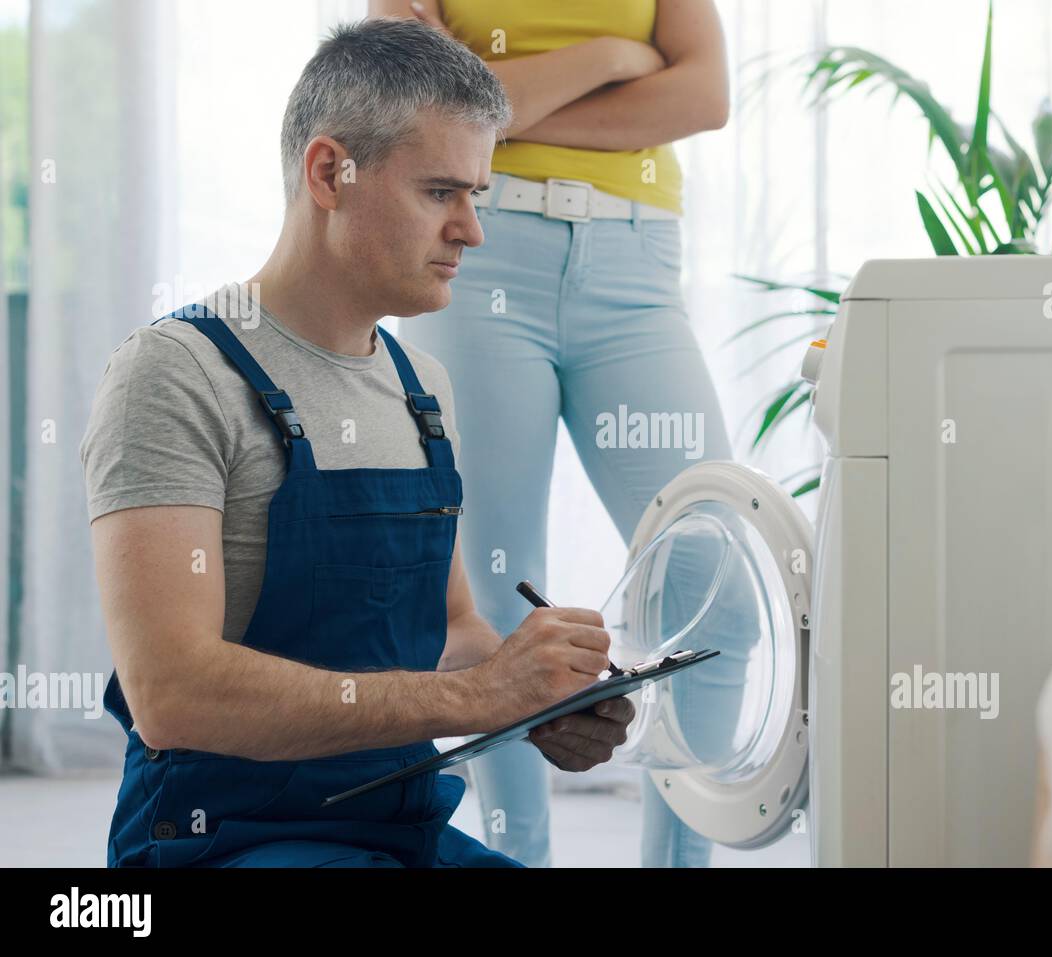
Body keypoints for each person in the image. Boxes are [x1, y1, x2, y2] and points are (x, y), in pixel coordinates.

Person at [79, 17, 633, 869]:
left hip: (397, 830)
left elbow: (448, 629)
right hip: (223, 840)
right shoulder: (174, 374)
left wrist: (538, 698)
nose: (471, 231)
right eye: (441, 192)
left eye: (476, 195)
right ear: (329, 171)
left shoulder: (423, 390)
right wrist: (475, 695)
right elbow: (170, 692)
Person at [368, 0, 735, 868]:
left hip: (635, 262)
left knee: (710, 565)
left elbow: (706, 96)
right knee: (490, 595)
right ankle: (513, 861)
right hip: (477, 246)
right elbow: (424, 100)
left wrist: (503, 106)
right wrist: (614, 52)